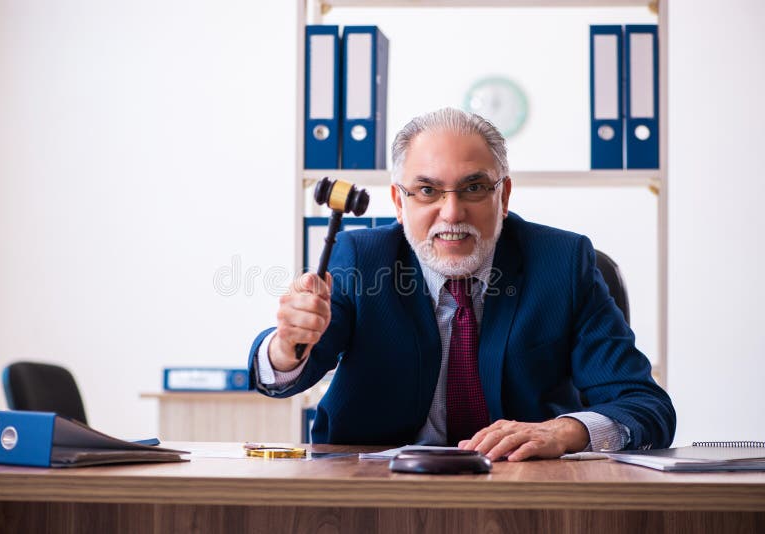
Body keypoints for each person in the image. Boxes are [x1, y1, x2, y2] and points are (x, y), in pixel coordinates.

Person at [249, 107, 675, 461]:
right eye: (428, 191)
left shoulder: (562, 263)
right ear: (399, 202)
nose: (451, 213)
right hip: (374, 494)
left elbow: (646, 407)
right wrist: (288, 346)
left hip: (524, 493)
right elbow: (288, 374)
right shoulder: (363, 259)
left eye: (473, 188)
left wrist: (564, 432)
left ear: (503, 196)